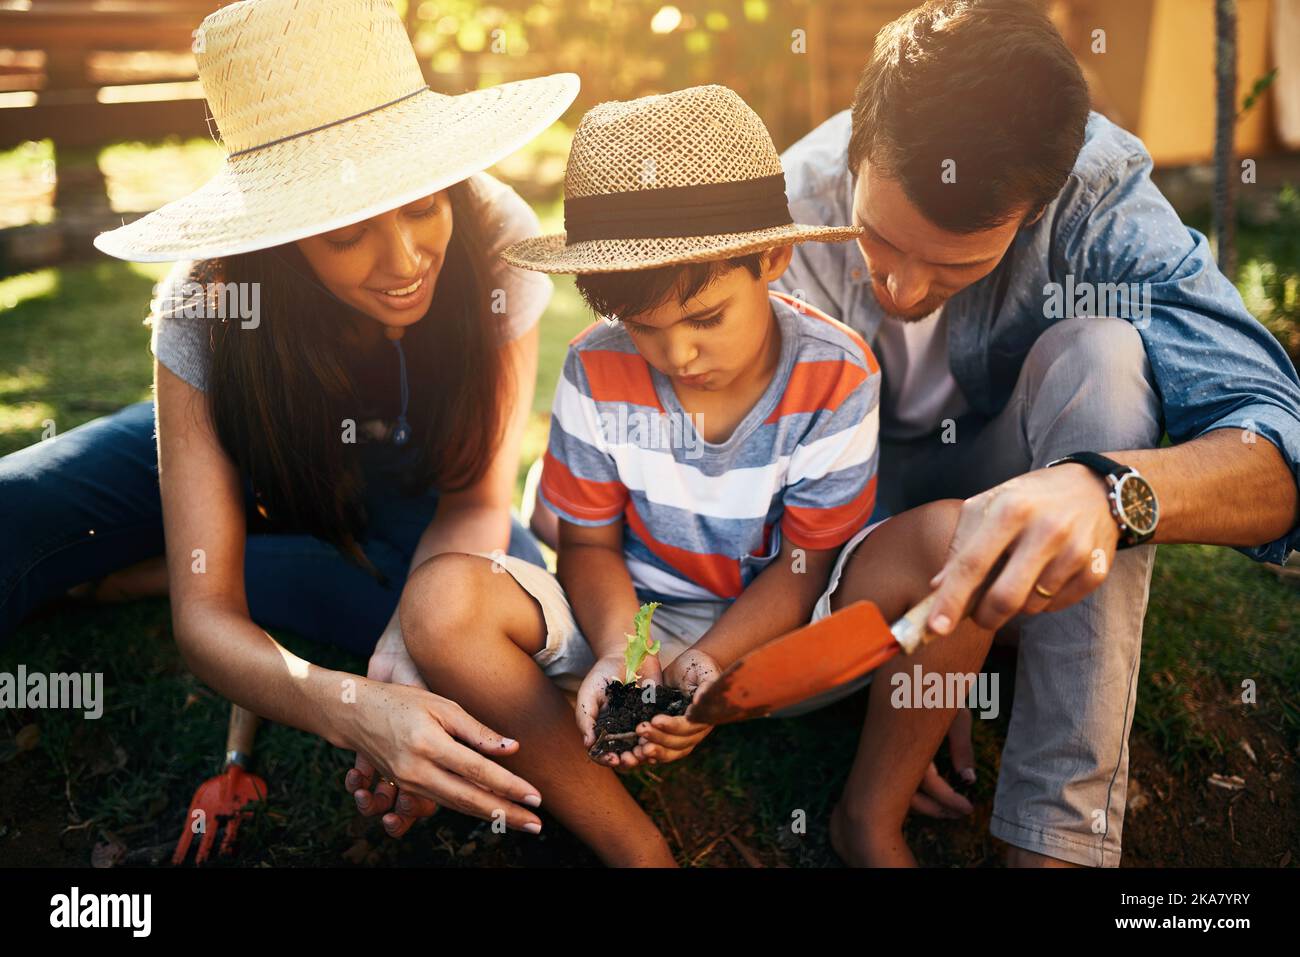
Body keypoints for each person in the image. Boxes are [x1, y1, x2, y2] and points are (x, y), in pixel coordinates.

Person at [0, 0, 581, 842]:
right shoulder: (207, 302)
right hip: (251, 453)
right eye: (349, 236)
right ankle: (211, 537)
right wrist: (350, 707)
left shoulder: (494, 234)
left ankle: (167, 563)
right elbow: (206, 620)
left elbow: (480, 497)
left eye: (423, 208)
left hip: (420, 494)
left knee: (495, 635)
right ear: (283, 233)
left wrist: (401, 652)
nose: (407, 260)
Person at [398, 84, 993, 866]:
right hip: (632, 620)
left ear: (775, 259)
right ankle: (632, 844)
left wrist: (706, 669)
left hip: (783, 637)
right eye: (645, 328)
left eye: (706, 318)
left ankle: (869, 820)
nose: (677, 356)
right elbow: (587, 546)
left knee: (966, 540)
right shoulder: (594, 369)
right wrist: (621, 652)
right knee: (441, 602)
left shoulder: (838, 374)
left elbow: (807, 561)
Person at [773, 0, 1300, 866]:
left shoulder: (1096, 195)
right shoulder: (795, 201)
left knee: (1103, 354)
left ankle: (1055, 839)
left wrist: (1108, 492)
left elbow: (1279, 451)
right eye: (879, 238)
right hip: (849, 517)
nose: (902, 288)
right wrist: (934, 654)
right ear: (861, 146)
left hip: (1004, 479)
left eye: (955, 263)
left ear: (1035, 202)